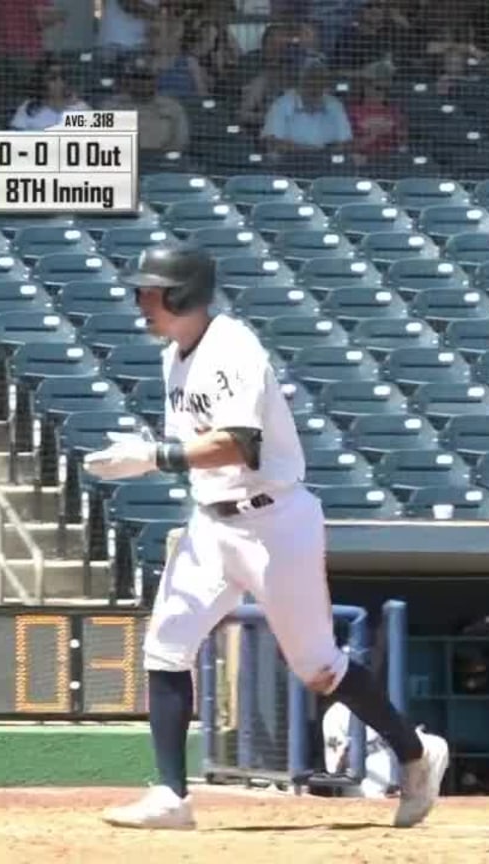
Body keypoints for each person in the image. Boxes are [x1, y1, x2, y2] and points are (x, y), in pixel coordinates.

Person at [86, 246, 448, 830]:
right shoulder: (173, 356)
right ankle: (171, 796)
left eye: (151, 291)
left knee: (319, 667)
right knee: (165, 647)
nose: (141, 301)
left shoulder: (233, 347)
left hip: (274, 524)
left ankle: (415, 753)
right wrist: (161, 456)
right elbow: (203, 447)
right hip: (212, 521)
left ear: (182, 293)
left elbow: (239, 443)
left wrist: (153, 457)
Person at [261, 57, 354, 156]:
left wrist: (329, 151)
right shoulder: (281, 104)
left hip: (326, 161)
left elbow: (346, 143)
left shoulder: (335, 105)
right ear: (301, 81)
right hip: (290, 160)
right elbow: (272, 143)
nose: (314, 85)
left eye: (319, 80)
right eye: (310, 79)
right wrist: (311, 151)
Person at [9, 58, 91, 131]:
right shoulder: (28, 109)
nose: (59, 82)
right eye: (53, 78)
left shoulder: (80, 108)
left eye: (63, 77)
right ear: (41, 82)